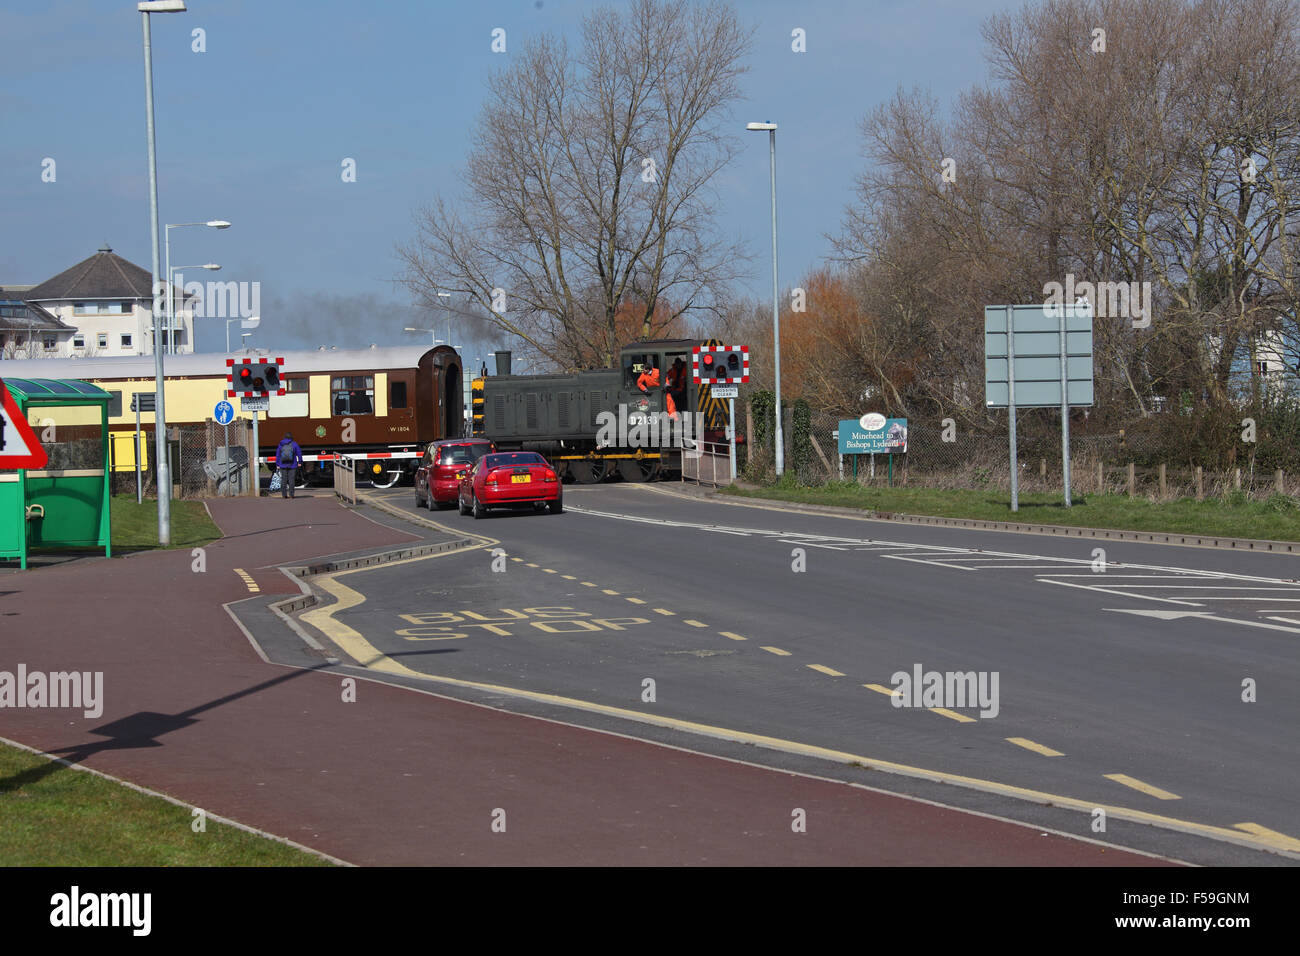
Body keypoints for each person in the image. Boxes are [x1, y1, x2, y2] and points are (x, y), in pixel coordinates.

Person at [275, 432, 304, 498]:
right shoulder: (294, 444)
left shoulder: (281, 444)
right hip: (292, 465)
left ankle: (284, 495)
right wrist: (300, 462)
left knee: (284, 480)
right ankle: (291, 495)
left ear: (284, 437)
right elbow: (299, 453)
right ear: (291, 437)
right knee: (291, 480)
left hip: (282, 465)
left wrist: (277, 464)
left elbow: (278, 455)